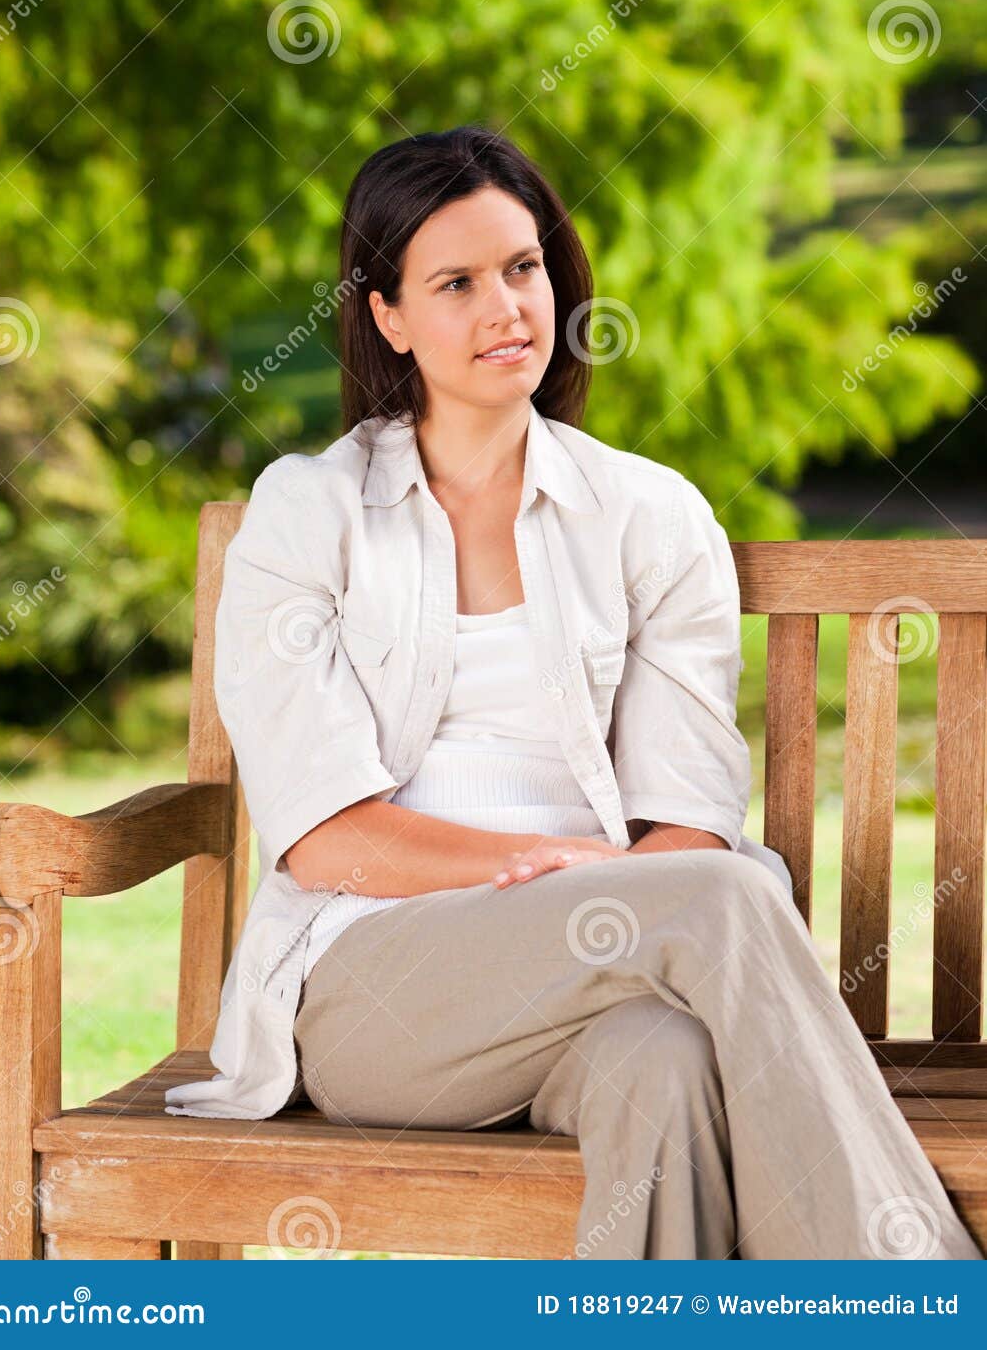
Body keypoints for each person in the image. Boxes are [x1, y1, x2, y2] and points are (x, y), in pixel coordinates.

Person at [166, 124, 982, 1263]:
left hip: (613, 963)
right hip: (378, 988)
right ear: (388, 316)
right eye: (456, 282)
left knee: (664, 1060)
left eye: (523, 266)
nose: (507, 307)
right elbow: (326, 839)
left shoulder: (646, 515)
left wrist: (606, 886)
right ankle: (924, 1304)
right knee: (723, 896)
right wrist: (551, 874)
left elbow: (687, 815)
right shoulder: (311, 512)